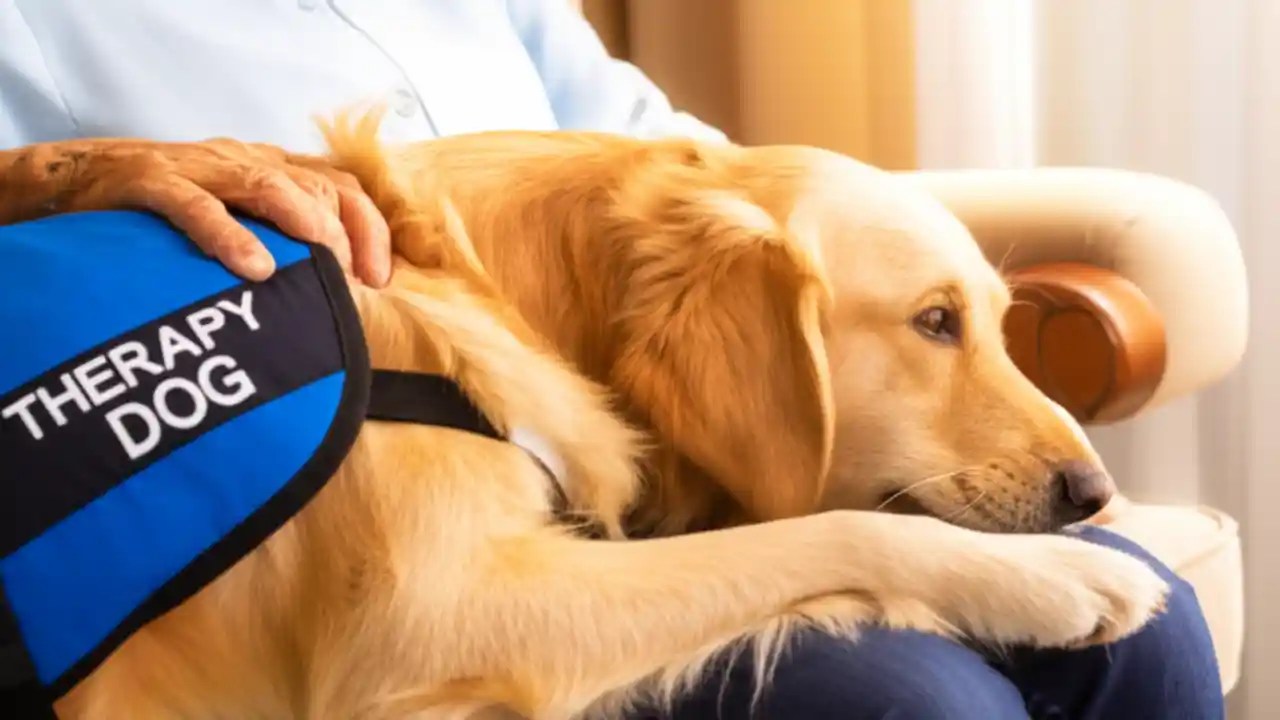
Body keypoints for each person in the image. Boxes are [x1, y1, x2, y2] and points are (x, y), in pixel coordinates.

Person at [0, 2, 1224, 717]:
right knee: (910, 704)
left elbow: (685, 174)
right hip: (367, 499)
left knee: (1136, 626)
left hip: (616, 457)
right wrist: (47, 174)